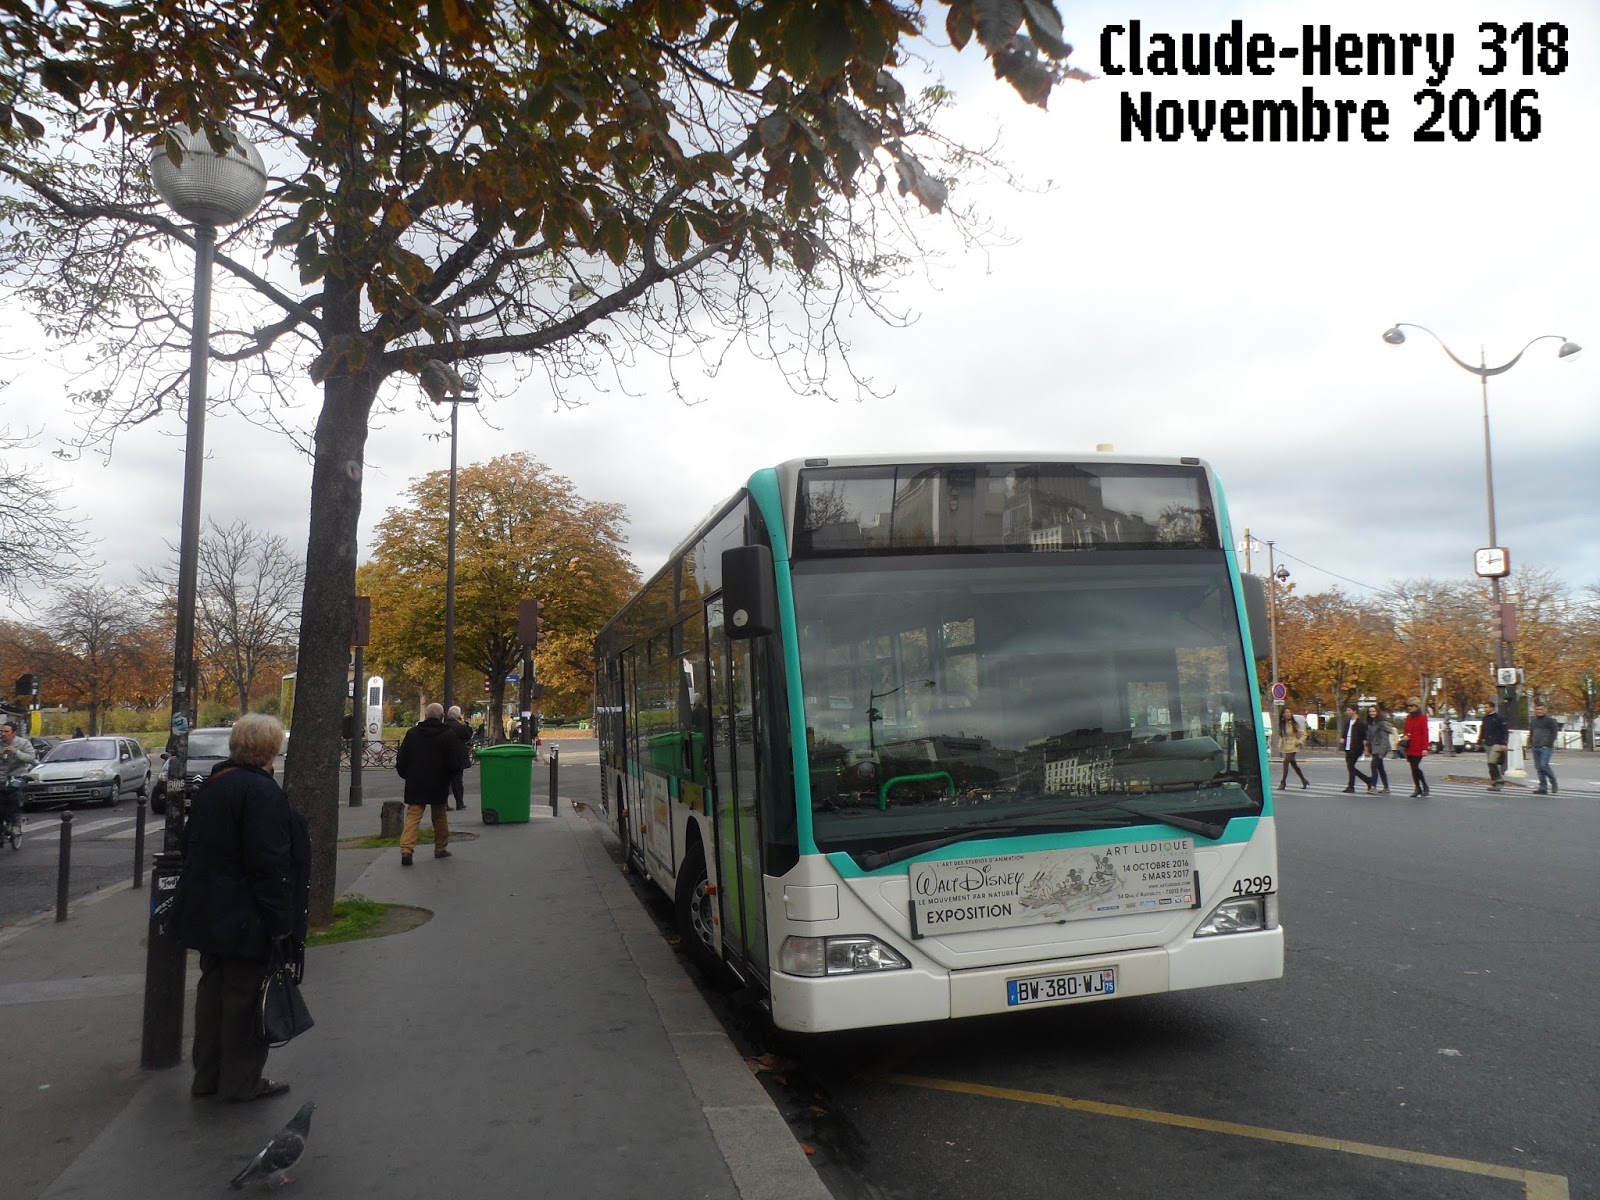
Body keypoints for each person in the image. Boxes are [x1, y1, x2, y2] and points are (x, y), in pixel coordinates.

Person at [167, 714, 308, 1102]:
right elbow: (269, 863)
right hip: (244, 913)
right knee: (246, 997)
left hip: (208, 909)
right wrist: (281, 923)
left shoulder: (216, 782)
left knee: (212, 994)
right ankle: (241, 1082)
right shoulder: (261, 792)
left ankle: (208, 1077)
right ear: (271, 748)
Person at [395, 702, 467, 865]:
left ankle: (406, 850)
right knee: (439, 815)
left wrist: (407, 775)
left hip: (416, 780)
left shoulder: (412, 734)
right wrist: (450, 778)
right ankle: (440, 848)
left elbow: (402, 760)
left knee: (413, 815)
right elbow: (454, 762)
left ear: (426, 716)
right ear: (442, 717)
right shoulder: (448, 735)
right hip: (439, 780)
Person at [1, 720, 37, 828]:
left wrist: (16, 752)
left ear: (14, 733)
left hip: (17, 775)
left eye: (6, 731)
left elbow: (31, 758)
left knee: (13, 789)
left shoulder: (23, 743)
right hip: (1, 776)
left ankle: (16, 819)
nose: (3, 734)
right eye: (1, 731)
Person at [1399, 697, 1431, 797]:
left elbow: (1425, 733)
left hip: (1419, 746)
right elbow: (1406, 730)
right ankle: (1417, 787)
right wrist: (1405, 736)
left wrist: (1425, 748)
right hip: (1410, 746)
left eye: (1412, 706)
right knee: (1413, 768)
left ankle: (1424, 786)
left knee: (1415, 767)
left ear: (1417, 706)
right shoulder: (1408, 717)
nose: (1410, 708)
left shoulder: (1423, 717)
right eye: (1409, 706)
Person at [445, 705, 472, 811]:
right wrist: (464, 723)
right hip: (457, 758)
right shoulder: (460, 727)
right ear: (458, 715)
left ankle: (445, 803)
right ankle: (459, 803)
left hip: (445, 758)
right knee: (458, 782)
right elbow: (468, 736)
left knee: (445, 782)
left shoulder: (444, 726)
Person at [1528, 702, 1560, 795]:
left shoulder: (1551, 721)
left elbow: (1554, 734)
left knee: (1543, 765)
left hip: (1546, 747)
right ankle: (1543, 787)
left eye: (1541, 709)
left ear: (1545, 710)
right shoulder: (1533, 721)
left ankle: (1553, 782)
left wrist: (1548, 744)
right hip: (1535, 747)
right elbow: (1531, 732)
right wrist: (1530, 743)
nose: (1539, 711)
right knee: (1539, 768)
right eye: (1537, 709)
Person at [1340, 704, 1372, 793]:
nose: (1347, 712)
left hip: (1356, 747)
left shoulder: (1361, 723)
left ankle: (1351, 786)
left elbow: (1364, 737)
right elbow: (1345, 733)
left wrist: (1366, 749)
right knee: (1350, 766)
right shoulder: (1348, 722)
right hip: (1347, 747)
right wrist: (1342, 739)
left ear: (1354, 711)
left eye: (1349, 710)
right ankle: (1367, 780)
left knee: (1350, 766)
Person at [1481, 699, 1511, 790]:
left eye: (1486, 707)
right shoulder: (1485, 718)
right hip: (1488, 743)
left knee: (1492, 762)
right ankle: (1494, 781)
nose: (1485, 709)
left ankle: (1499, 780)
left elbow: (1505, 731)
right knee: (1490, 763)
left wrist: (1504, 743)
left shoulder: (1499, 718)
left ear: (1492, 708)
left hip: (1497, 743)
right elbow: (1483, 730)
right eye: (1484, 707)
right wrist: (1479, 741)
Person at [1365, 706, 1394, 794]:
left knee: (1373, 766)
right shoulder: (1371, 723)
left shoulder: (1381, 724)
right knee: (1380, 767)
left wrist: (1382, 752)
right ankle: (1386, 787)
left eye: (1373, 711)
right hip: (1374, 748)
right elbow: (1370, 738)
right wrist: (1368, 748)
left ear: (1377, 712)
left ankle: (1373, 786)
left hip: (1380, 748)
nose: (1372, 713)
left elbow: (1384, 739)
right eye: (1370, 712)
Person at [1278, 711, 1309, 789]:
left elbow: (1304, 734)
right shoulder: (1282, 724)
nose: (1288, 714)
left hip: (1293, 745)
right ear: (1283, 715)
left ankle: (1283, 782)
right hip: (1286, 745)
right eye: (1286, 712)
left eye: (1289, 712)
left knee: (1285, 762)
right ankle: (1303, 780)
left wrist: (1300, 742)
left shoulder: (1294, 724)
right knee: (1294, 765)